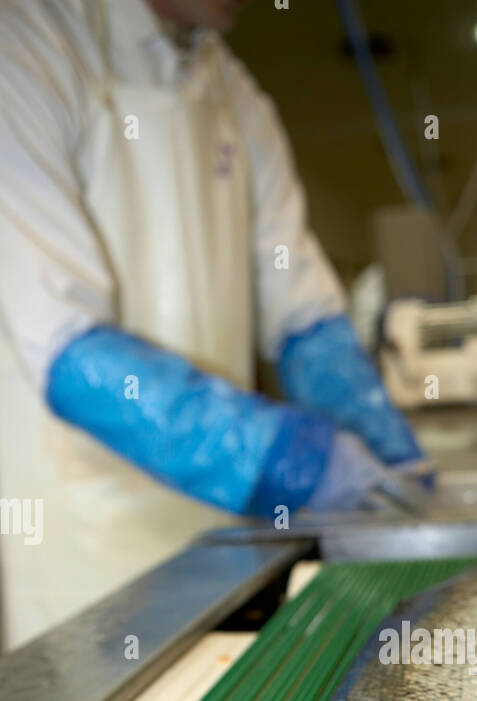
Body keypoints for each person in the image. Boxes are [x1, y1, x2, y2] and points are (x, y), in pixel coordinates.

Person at [0, 0, 426, 651]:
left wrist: (384, 451)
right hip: (85, 562)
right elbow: (66, 348)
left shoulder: (233, 91)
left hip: (224, 544)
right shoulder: (28, 42)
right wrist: (285, 459)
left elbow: (300, 308)